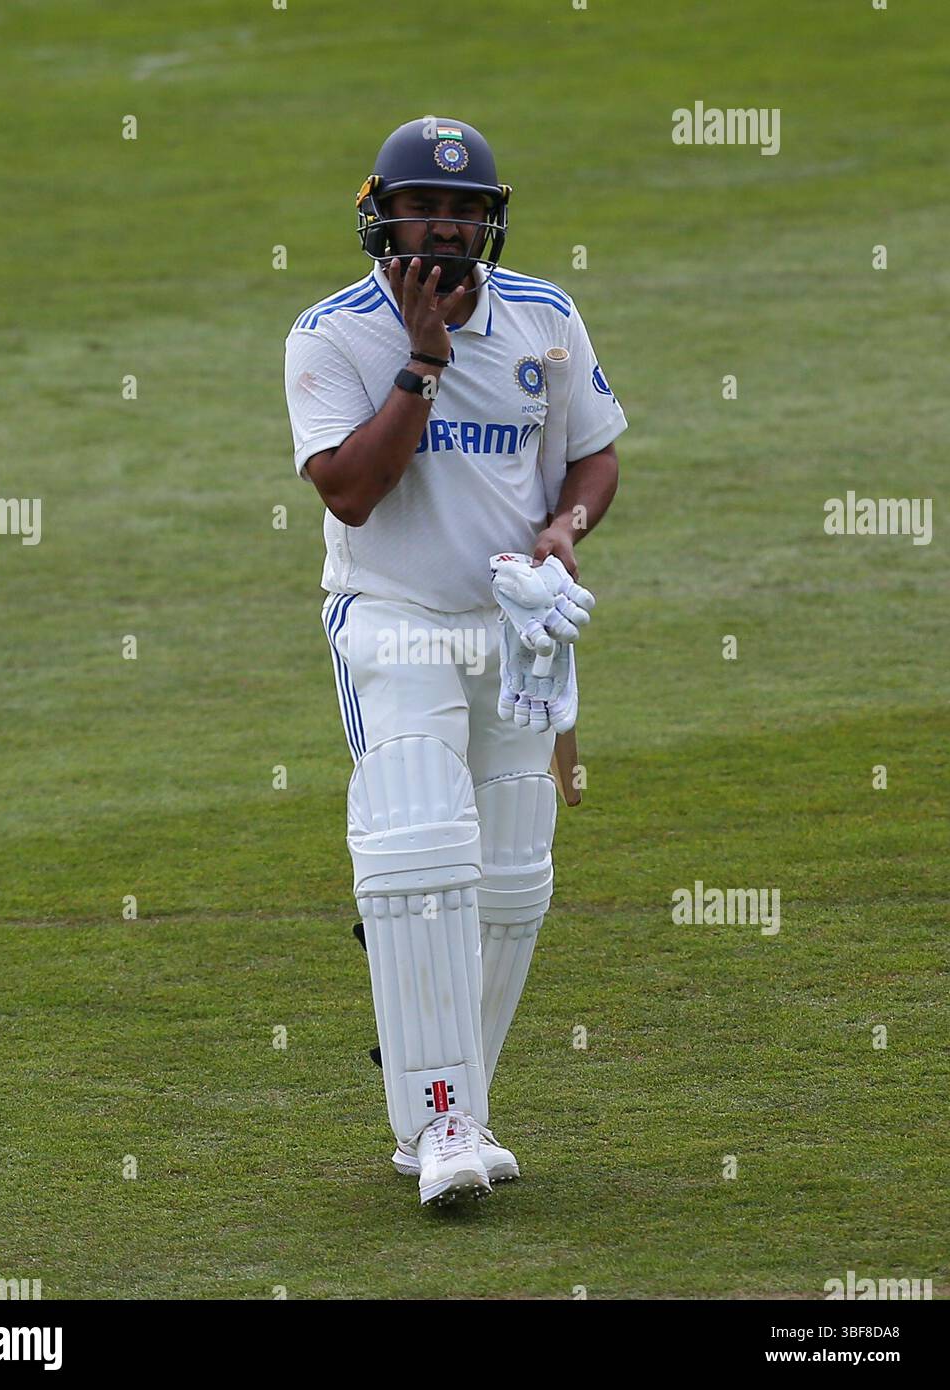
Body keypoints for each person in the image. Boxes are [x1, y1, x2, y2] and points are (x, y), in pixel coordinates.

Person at [284, 116, 626, 1206]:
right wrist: (423, 361)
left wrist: (566, 525)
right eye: (427, 210)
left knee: (515, 869)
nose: (446, 229)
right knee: (422, 843)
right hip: (392, 615)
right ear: (381, 213)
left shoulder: (546, 316)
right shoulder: (330, 336)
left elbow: (590, 452)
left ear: (492, 219)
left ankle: (453, 1110)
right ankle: (436, 1126)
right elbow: (348, 490)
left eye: (466, 211)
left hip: (510, 629)